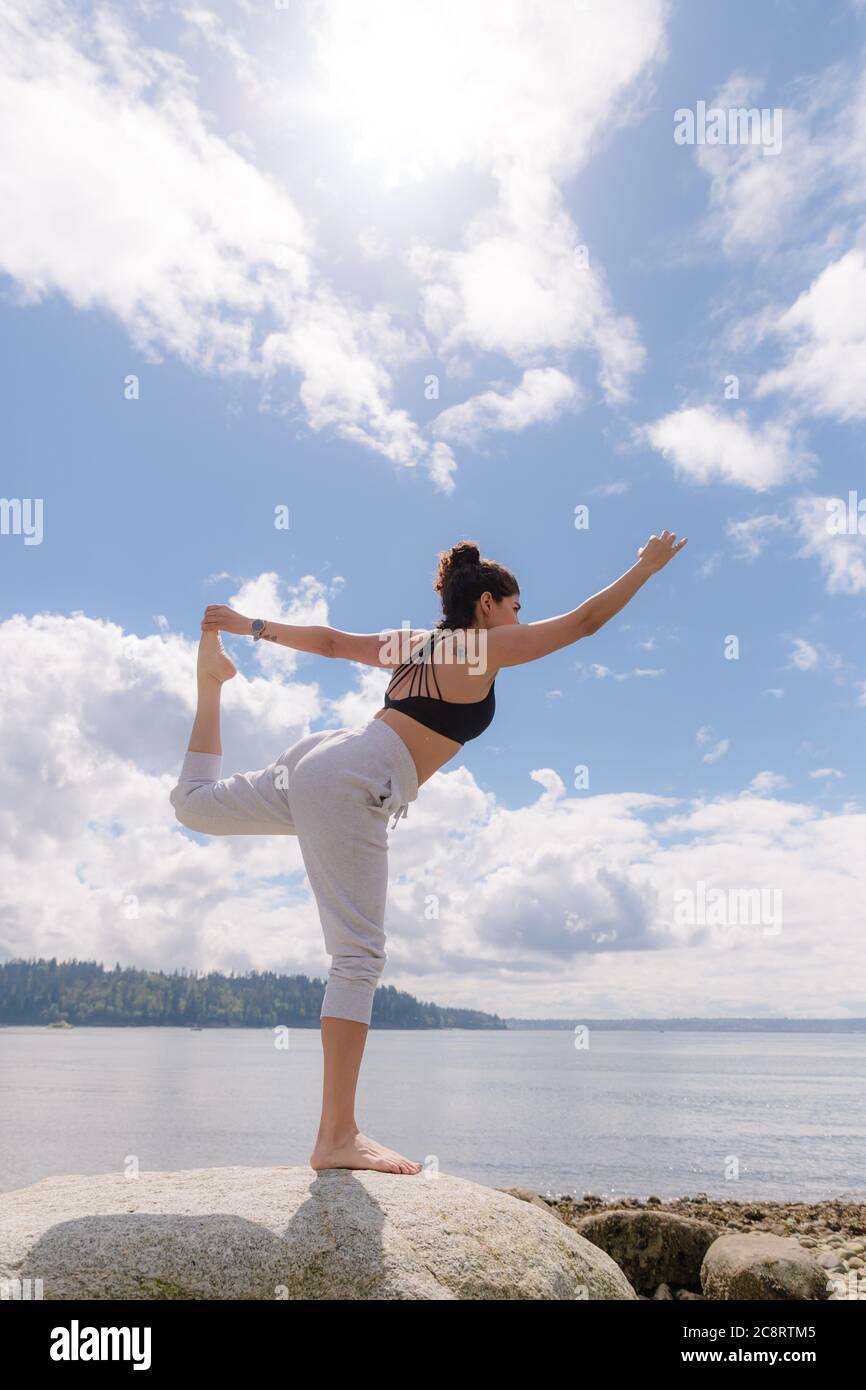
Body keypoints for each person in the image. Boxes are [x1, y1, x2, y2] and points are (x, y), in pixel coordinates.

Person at [169, 531, 687, 1174]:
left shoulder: (418, 644)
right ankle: (336, 1136)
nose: (520, 621)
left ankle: (210, 683)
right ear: (492, 604)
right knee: (357, 957)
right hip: (356, 778)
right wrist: (645, 566)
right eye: (518, 608)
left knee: (194, 804)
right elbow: (584, 623)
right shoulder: (480, 648)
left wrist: (250, 626)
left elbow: (330, 642)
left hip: (322, 759)